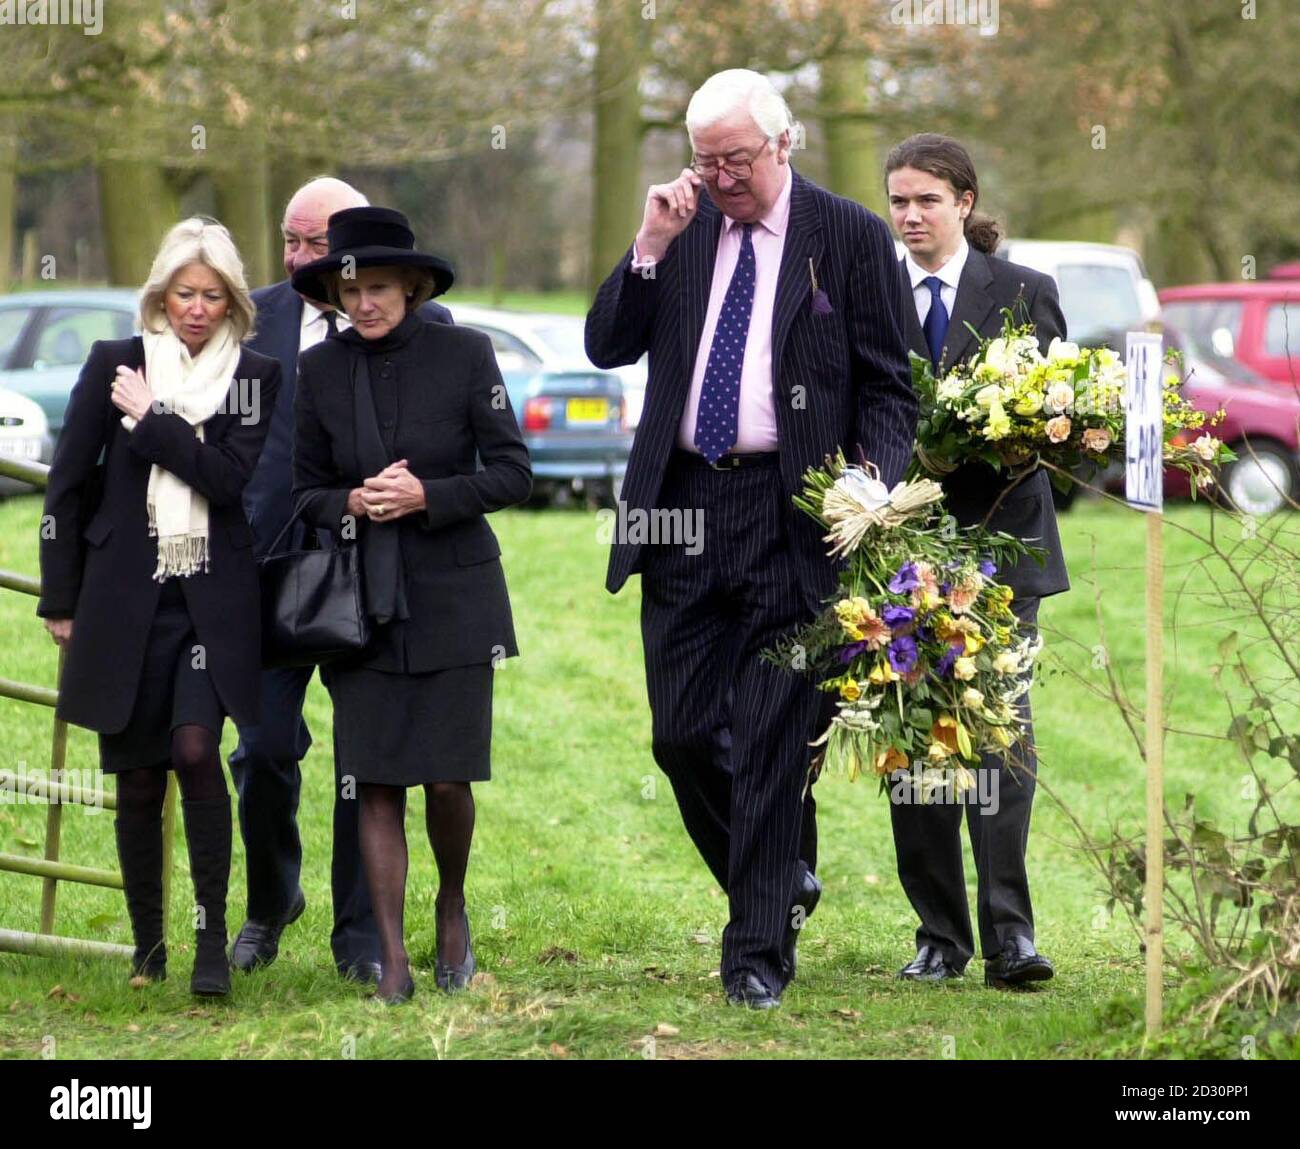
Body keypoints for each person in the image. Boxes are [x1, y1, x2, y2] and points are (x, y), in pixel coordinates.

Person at [584, 69, 917, 1009]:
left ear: (784, 143)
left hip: (796, 512)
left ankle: (756, 952)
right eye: (705, 159)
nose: (721, 176)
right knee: (682, 734)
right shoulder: (680, 230)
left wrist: (871, 481)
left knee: (774, 737)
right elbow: (608, 344)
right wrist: (647, 245)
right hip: (681, 507)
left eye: (736, 158)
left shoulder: (847, 236)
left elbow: (892, 386)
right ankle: (778, 876)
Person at [290, 206, 530, 1003]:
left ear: (414, 285)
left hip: (454, 596)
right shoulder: (320, 371)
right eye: (350, 288)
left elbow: (511, 472)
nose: (364, 302)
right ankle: (392, 960)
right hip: (361, 604)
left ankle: (451, 906)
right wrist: (349, 503)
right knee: (374, 778)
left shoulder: (466, 353)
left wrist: (430, 493)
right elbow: (304, 491)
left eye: (381, 287)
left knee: (447, 779)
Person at [37, 218, 280, 997]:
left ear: (233, 301)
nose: (198, 308)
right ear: (161, 294)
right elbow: (67, 485)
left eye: (213, 295)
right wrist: (60, 595)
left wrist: (153, 419)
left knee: (196, 750)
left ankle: (212, 945)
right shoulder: (116, 363)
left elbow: (226, 478)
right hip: (123, 601)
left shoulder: (256, 376)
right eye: (185, 293)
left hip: (211, 604)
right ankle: (148, 950)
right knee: (139, 778)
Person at [228, 177, 452, 984]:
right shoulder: (251, 319)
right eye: (289, 241)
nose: (298, 258)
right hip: (274, 572)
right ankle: (269, 899)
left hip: (380, 574)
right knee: (259, 749)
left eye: (314, 243)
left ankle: (361, 936)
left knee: (370, 762)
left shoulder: (429, 328)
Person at [885, 132, 1069, 988]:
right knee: (919, 743)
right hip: (899, 554)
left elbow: (1067, 427)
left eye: (927, 198)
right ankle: (939, 934)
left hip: (1002, 548)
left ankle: (1012, 935)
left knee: (998, 739)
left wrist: (1015, 449)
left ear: (965, 201)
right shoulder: (872, 292)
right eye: (898, 200)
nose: (911, 214)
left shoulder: (1026, 292)